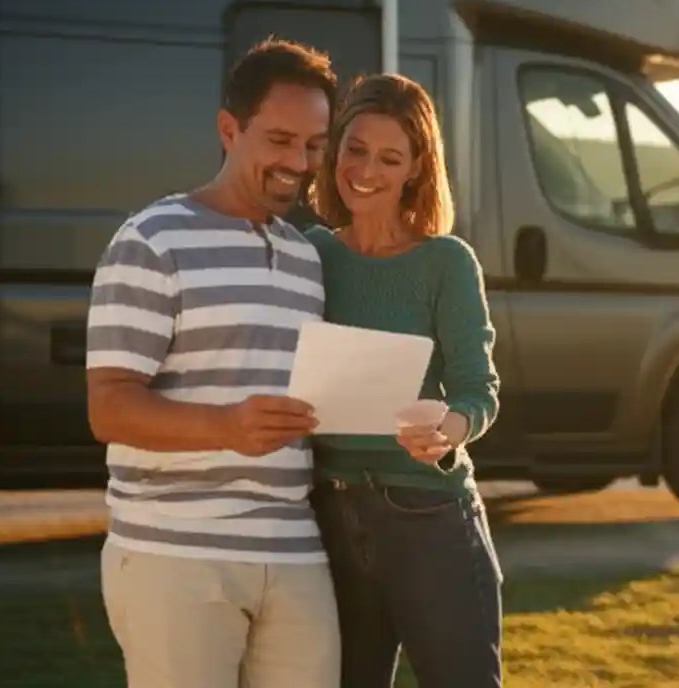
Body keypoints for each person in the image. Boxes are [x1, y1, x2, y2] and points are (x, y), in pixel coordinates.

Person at [84, 39, 341, 687]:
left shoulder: (307, 259)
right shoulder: (152, 240)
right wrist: (226, 426)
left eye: (314, 144)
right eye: (280, 139)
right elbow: (109, 405)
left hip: (293, 550)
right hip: (175, 552)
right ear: (229, 130)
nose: (299, 163)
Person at [305, 73, 503, 688]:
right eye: (356, 149)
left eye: (390, 157)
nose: (366, 169)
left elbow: (478, 387)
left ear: (417, 169)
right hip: (330, 517)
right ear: (334, 149)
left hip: (428, 516)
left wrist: (449, 430)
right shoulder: (309, 254)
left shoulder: (446, 262)